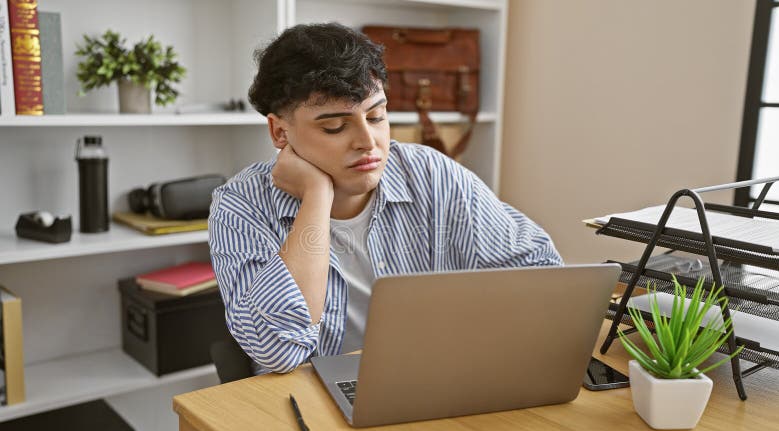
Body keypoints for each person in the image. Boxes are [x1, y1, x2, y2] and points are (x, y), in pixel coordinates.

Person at [209, 23, 562, 375]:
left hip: (431, 380)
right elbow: (278, 350)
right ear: (280, 132)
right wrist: (316, 197)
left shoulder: (429, 173)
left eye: (376, 116)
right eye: (335, 126)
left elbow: (544, 275)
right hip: (304, 401)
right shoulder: (241, 205)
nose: (368, 140)